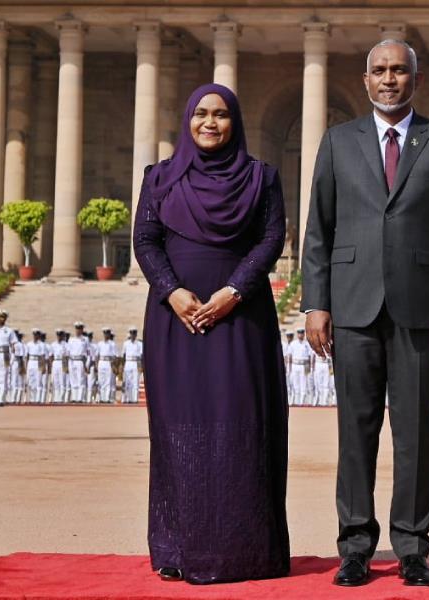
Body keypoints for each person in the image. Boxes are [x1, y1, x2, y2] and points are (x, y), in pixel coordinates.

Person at [301, 38, 429, 588]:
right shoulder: (337, 141)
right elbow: (318, 228)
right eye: (379, 70)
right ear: (366, 79)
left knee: (415, 434)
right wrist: (316, 302)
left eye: (399, 70)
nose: (389, 79)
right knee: (355, 432)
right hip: (351, 307)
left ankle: (412, 547)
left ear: (416, 80)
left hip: (420, 309)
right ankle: (355, 546)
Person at [133, 82, 290, 584]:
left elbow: (271, 238)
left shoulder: (261, 177)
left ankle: (245, 551)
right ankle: (179, 547)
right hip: (176, 319)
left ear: (234, 122)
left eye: (221, 114)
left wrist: (234, 291)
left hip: (241, 317)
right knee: (179, 430)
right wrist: (172, 291)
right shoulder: (159, 178)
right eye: (200, 113)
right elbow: (145, 240)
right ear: (188, 119)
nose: (210, 122)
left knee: (242, 424)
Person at [96, 328, 119, 404]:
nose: (106, 335)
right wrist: (96, 365)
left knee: (108, 381)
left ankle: (107, 398)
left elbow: (116, 356)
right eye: (105, 334)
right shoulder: (100, 344)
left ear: (109, 334)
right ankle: (102, 398)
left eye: (107, 334)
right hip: (101, 362)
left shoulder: (112, 344)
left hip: (109, 362)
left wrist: (114, 365)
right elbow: (97, 355)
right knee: (101, 380)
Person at [122, 327, 143, 404]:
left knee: (135, 382)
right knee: (128, 381)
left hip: (135, 362)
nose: (133, 335)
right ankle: (128, 398)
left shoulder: (139, 344)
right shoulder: (126, 343)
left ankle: (134, 399)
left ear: (136, 334)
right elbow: (123, 355)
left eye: (134, 333)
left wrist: (141, 366)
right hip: (128, 362)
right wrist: (123, 365)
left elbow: (141, 355)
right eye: (131, 333)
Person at [27, 329, 48, 404]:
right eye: (34, 334)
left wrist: (43, 367)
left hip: (38, 362)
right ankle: (32, 399)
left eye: (37, 335)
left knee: (38, 381)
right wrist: (26, 365)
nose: (35, 336)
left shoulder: (42, 345)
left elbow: (43, 356)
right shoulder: (29, 344)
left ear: (39, 336)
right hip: (31, 362)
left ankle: (38, 399)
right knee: (31, 382)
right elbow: (27, 355)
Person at [49, 330, 68, 404]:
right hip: (55, 362)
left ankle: (61, 398)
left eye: (60, 335)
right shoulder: (53, 344)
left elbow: (67, 356)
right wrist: (51, 365)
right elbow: (51, 355)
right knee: (56, 381)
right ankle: (56, 398)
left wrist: (66, 366)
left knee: (62, 381)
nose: (59, 337)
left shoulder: (65, 345)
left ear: (62, 336)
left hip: (62, 362)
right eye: (58, 335)